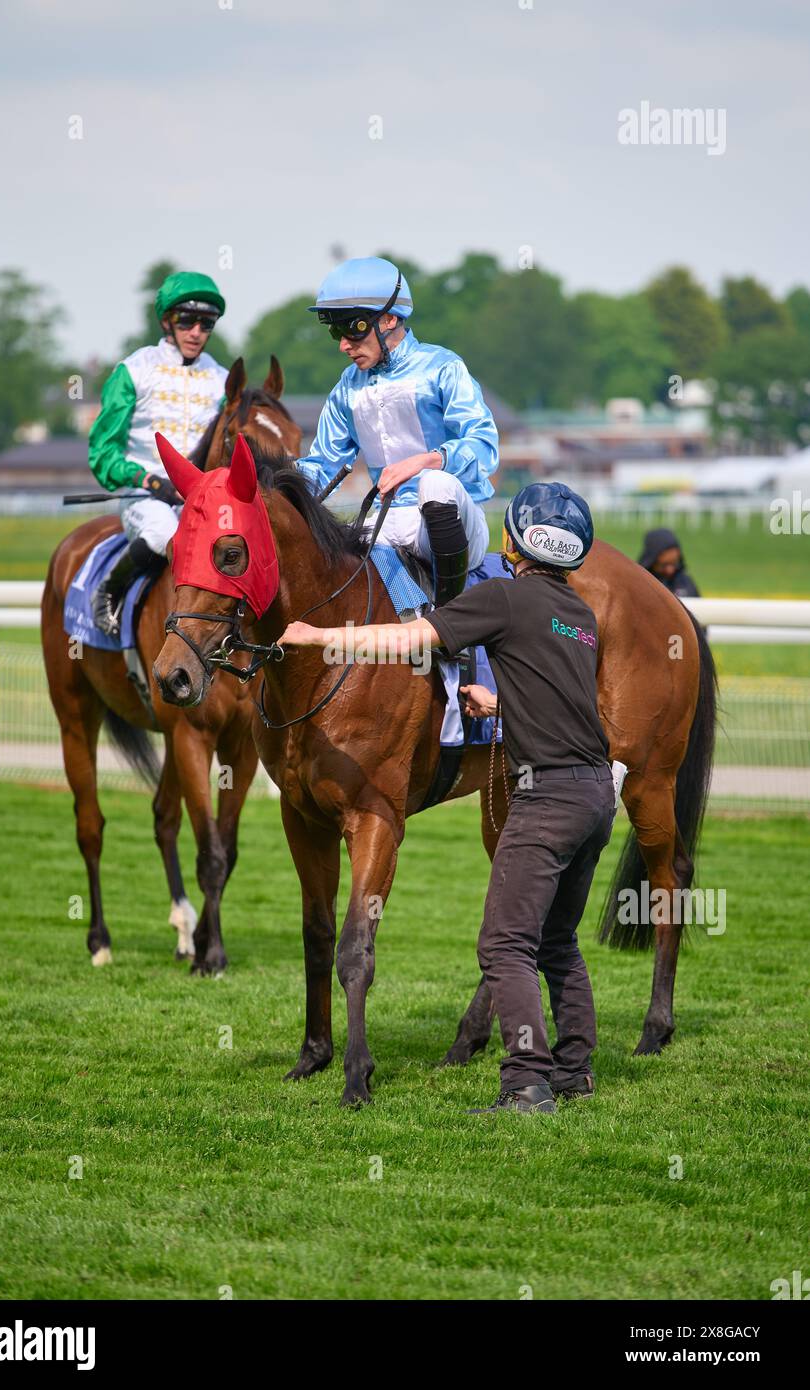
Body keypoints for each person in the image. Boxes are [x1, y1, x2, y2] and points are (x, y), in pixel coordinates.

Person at [278, 482, 616, 1115]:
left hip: (544, 801)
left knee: (505, 945)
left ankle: (526, 1082)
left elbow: (409, 642)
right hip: (596, 794)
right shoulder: (582, 617)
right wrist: (498, 704)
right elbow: (562, 702)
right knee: (557, 940)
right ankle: (574, 1071)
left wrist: (315, 637)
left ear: (514, 542)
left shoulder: (505, 599)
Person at [295, 256, 498, 612]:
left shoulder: (443, 367)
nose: (344, 344)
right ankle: (410, 619)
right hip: (388, 524)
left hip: (457, 521)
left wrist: (425, 462)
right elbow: (321, 465)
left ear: (390, 319)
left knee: (435, 484)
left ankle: (451, 624)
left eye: (353, 328)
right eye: (335, 331)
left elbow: (483, 446)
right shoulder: (346, 389)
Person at [88, 271, 229, 636]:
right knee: (163, 534)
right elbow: (103, 453)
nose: (196, 331)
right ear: (167, 320)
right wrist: (149, 480)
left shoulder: (222, 379)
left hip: (199, 500)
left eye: (206, 323)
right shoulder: (133, 371)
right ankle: (110, 591)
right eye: (187, 321)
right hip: (146, 498)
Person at [638, 526, 700, 598]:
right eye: (664, 565)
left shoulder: (686, 583)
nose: (670, 570)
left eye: (674, 563)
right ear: (651, 560)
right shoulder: (639, 584)